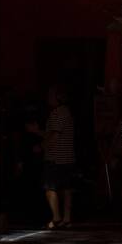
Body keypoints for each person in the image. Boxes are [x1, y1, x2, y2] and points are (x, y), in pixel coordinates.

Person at [43, 86, 76, 229]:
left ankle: (56, 217)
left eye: (51, 96)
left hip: (56, 157)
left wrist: (44, 145)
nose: (48, 99)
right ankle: (67, 218)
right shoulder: (67, 112)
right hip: (68, 156)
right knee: (67, 188)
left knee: (50, 187)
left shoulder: (57, 113)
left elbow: (55, 135)